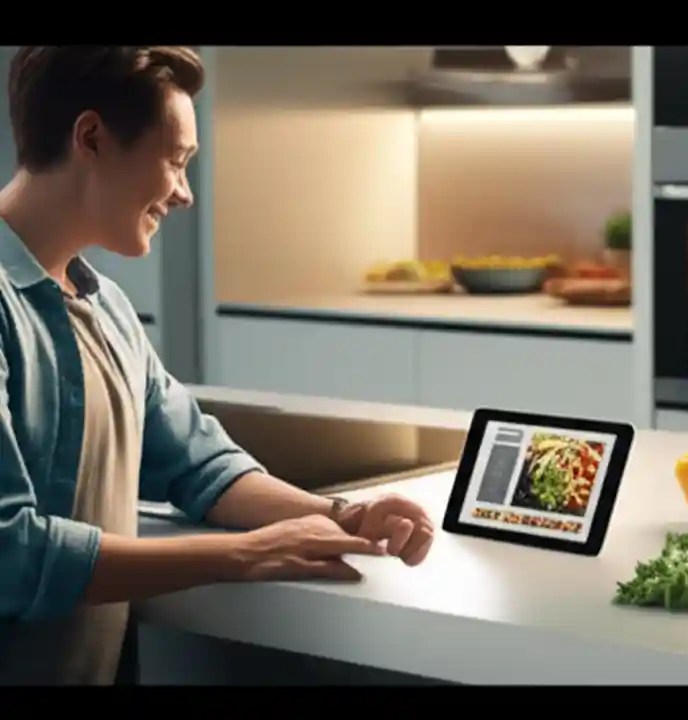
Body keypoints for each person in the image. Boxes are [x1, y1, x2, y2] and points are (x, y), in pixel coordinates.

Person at [0, 46, 436, 685]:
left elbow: (200, 465)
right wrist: (243, 555)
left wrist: (339, 516)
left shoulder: (107, 309)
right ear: (91, 138)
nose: (184, 193)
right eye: (175, 161)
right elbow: (9, 553)